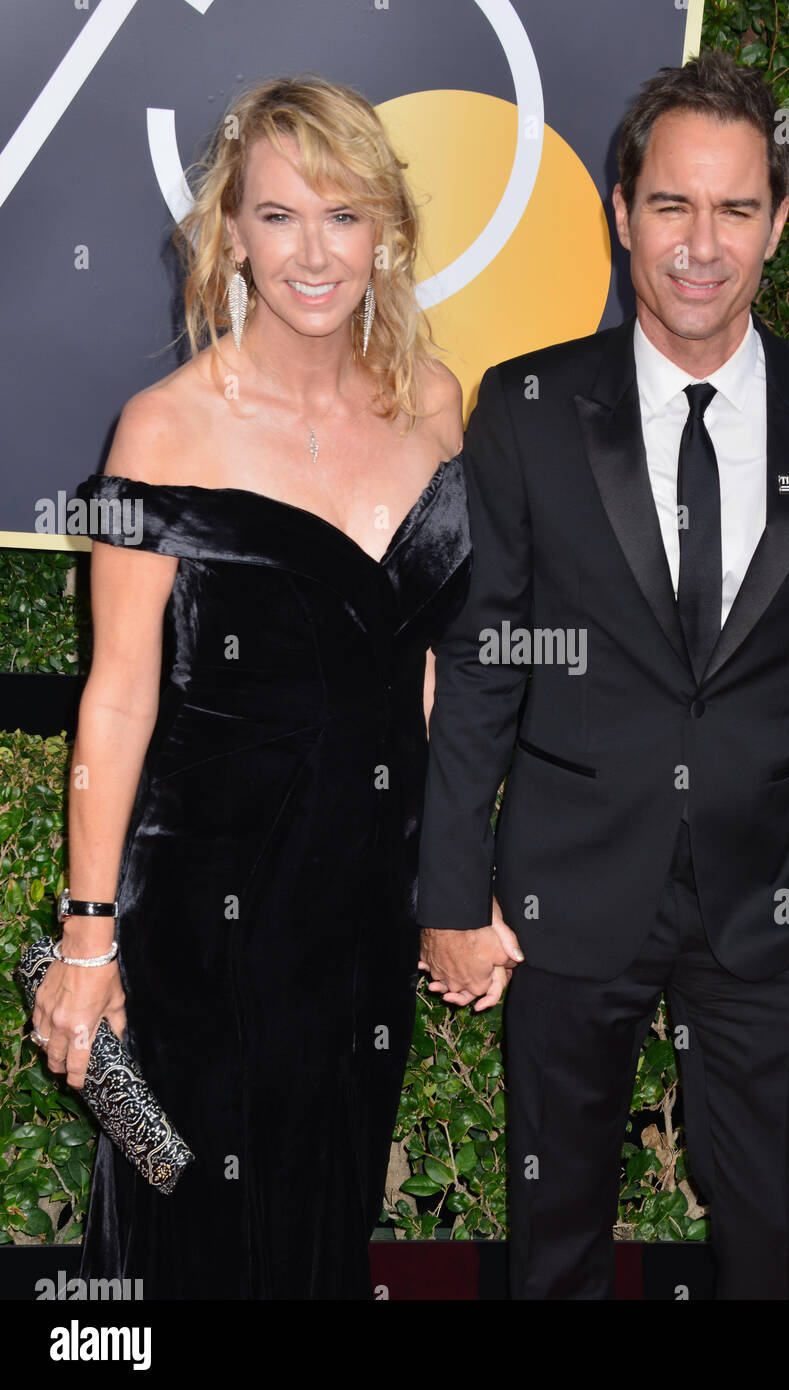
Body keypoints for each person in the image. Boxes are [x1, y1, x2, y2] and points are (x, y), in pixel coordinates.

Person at [417, 50, 789, 1299]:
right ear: (621, 211)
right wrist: (451, 890)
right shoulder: (528, 406)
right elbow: (480, 658)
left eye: (736, 208)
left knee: (772, 1236)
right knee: (555, 1237)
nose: (702, 244)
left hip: (775, 891)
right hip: (567, 886)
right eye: (672, 205)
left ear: (778, 222)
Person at [29, 74, 473, 1298]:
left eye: (343, 215)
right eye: (278, 216)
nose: (312, 254)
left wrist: (457, 874)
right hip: (204, 912)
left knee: (326, 1209)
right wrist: (87, 938)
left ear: (385, 233)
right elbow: (117, 697)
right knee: (187, 1228)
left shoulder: (436, 405)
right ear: (230, 236)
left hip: (363, 905)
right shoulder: (164, 428)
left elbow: (432, 674)